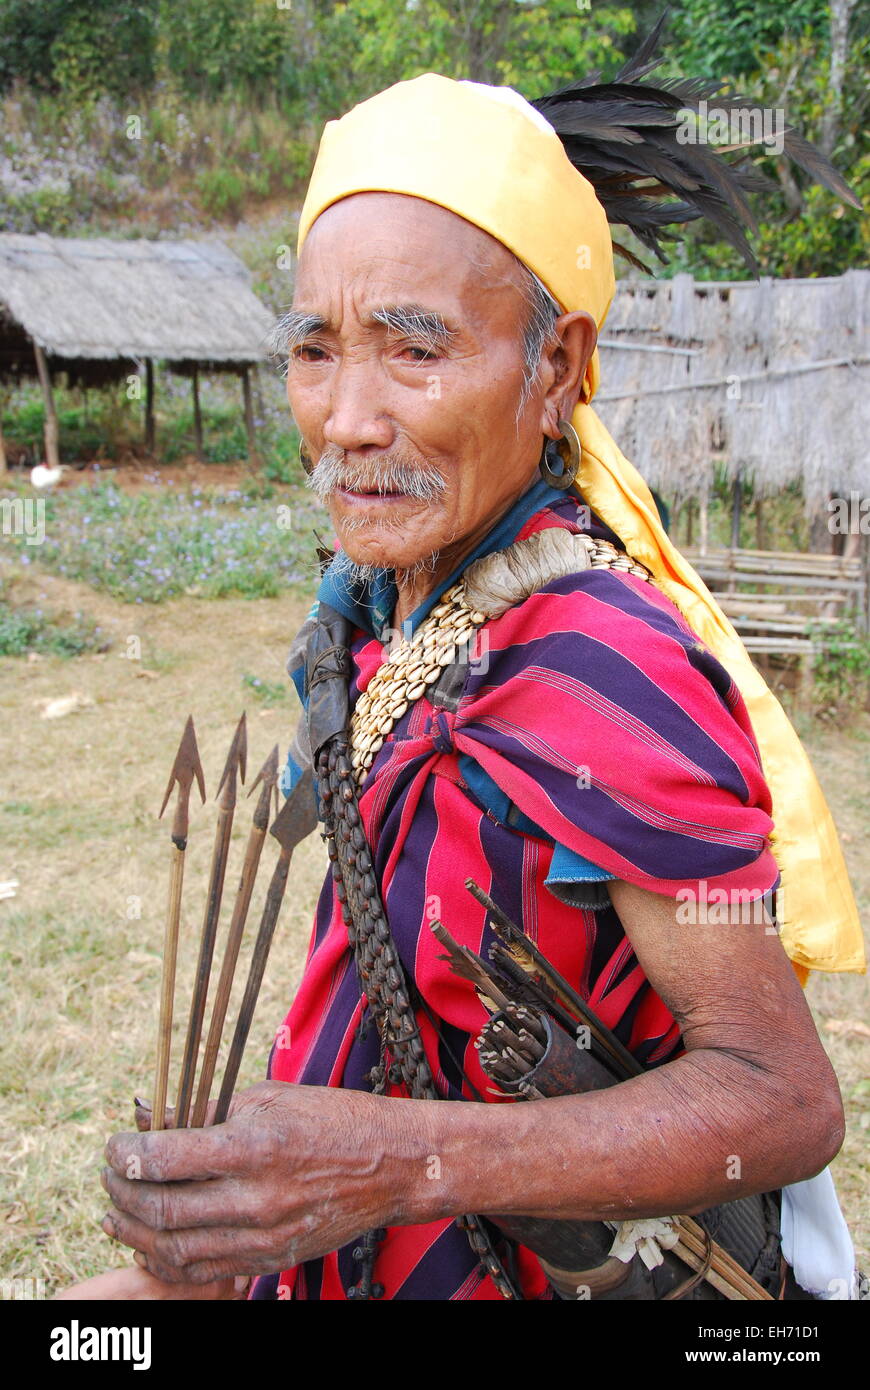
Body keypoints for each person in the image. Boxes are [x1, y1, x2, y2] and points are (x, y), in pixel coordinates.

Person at [71, 33, 864, 1303]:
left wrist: (398, 1166)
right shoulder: (381, 619)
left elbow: (779, 1102)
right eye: (316, 349)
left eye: (415, 348)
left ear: (554, 370)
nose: (347, 417)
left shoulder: (612, 672)